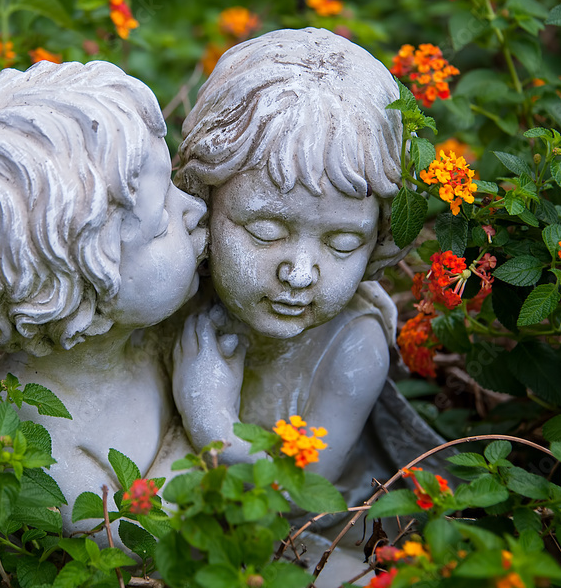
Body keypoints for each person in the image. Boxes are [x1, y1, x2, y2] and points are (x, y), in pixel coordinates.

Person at [0, 60, 207, 527]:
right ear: (78, 292)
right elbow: (140, 541)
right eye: (161, 222)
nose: (196, 208)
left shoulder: (145, 333)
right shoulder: (24, 440)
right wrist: (208, 426)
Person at [172, 28, 413, 488]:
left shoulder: (353, 350)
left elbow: (303, 495)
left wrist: (212, 429)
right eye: (265, 232)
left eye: (343, 244)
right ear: (204, 202)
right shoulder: (173, 294)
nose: (299, 274)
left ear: (377, 240)